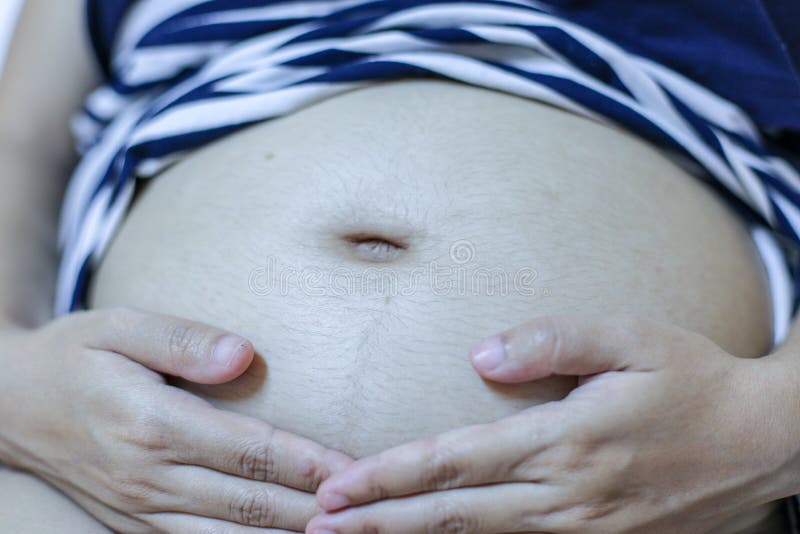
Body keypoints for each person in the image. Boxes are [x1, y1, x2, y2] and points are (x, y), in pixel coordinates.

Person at [1, 1, 799, 533]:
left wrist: (762, 428)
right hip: (108, 496)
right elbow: (18, 146)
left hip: (655, 499)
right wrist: (10, 382)